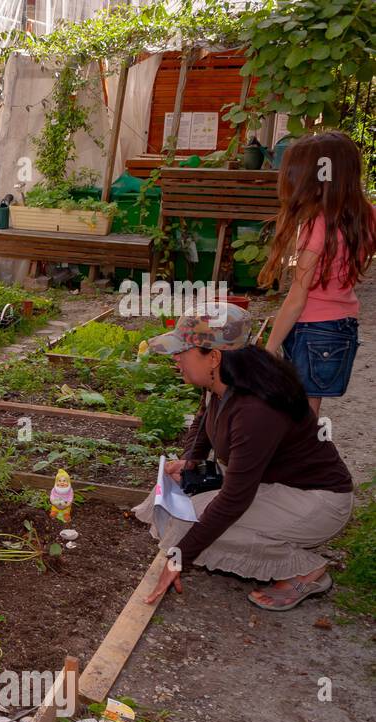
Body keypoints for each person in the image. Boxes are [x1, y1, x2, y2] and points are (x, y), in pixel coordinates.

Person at [134, 311, 353, 611]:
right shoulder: (226, 381)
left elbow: (235, 499)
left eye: (181, 352)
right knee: (180, 503)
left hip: (316, 502)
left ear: (214, 358)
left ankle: (305, 570)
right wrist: (190, 460)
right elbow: (203, 420)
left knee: (186, 522)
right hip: (274, 483)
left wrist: (178, 559)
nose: (175, 359)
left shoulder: (255, 410)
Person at [261, 130, 376, 414]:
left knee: (301, 416)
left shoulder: (318, 225)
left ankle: (306, 458)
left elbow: (298, 297)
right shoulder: (368, 215)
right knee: (308, 411)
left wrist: (270, 347)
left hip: (313, 329)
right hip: (343, 326)